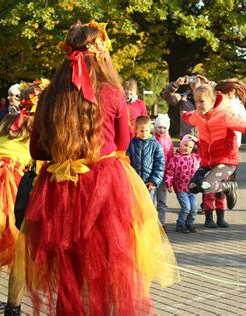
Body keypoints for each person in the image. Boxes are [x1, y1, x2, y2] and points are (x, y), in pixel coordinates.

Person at [13, 22, 178, 315]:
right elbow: (124, 144)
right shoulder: (113, 94)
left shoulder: (49, 96)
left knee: (69, 270)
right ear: (101, 53)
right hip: (105, 187)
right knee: (108, 265)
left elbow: (37, 150)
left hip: (60, 188)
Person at [181, 82, 246, 228]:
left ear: (212, 101)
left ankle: (229, 187)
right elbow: (188, 117)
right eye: (196, 101)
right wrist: (183, 114)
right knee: (193, 187)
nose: (198, 105)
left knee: (206, 185)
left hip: (226, 161)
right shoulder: (197, 116)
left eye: (202, 101)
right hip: (207, 163)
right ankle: (221, 197)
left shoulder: (225, 116)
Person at [0, 82, 38, 313]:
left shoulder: (7, 120)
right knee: (20, 247)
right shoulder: (39, 125)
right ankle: (13, 308)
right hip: (9, 181)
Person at [165, 134, 200, 233]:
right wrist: (169, 183)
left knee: (194, 208)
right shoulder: (175, 158)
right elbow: (169, 171)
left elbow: (203, 151)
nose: (187, 148)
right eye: (185, 145)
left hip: (192, 188)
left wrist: (198, 142)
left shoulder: (195, 157)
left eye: (190, 147)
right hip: (181, 189)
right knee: (186, 208)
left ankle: (189, 223)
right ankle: (180, 225)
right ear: (181, 144)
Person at [215, 79, 246, 181]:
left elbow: (243, 121)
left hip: (233, 140)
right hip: (218, 140)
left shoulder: (238, 104)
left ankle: (230, 186)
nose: (231, 93)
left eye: (232, 91)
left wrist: (233, 119)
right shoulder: (217, 101)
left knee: (231, 167)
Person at [127, 115, 165, 201]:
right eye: (141, 131)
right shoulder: (131, 144)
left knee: (148, 208)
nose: (144, 133)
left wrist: (154, 181)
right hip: (135, 183)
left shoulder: (155, 145)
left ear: (150, 129)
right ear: (136, 129)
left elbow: (160, 165)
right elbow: (127, 162)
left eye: (146, 130)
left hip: (149, 184)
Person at [153, 114, 174, 230]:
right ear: (155, 127)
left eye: (164, 128)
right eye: (159, 127)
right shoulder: (151, 140)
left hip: (163, 176)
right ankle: (150, 224)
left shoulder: (169, 142)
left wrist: (170, 179)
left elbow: (171, 160)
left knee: (162, 201)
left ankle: (161, 223)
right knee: (150, 201)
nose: (162, 130)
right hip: (153, 175)